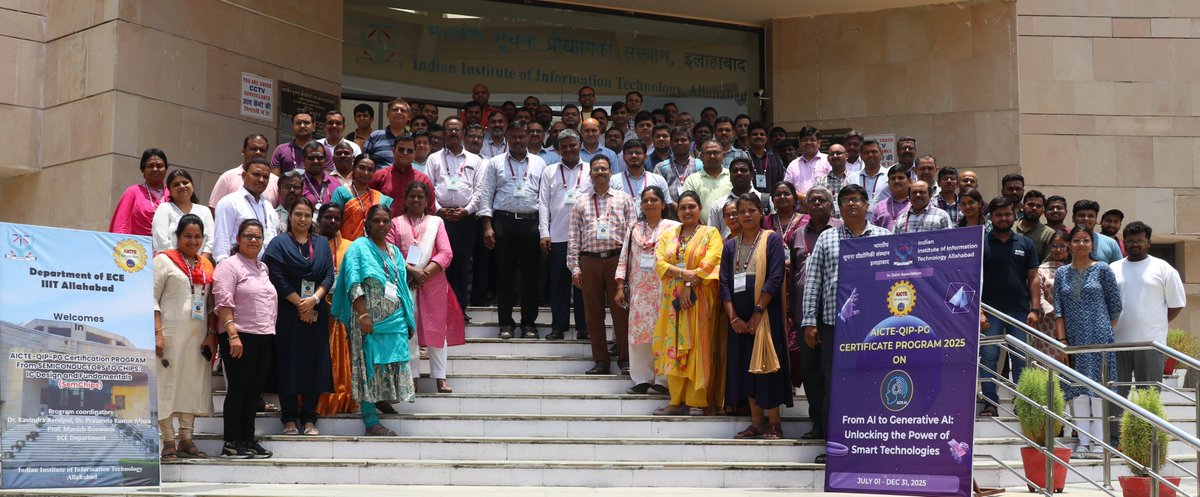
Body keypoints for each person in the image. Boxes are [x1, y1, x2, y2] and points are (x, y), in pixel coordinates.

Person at [801, 185, 890, 460]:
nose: (851, 204)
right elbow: (813, 281)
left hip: (874, 328)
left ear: (867, 205)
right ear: (839, 208)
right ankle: (835, 448)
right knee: (835, 386)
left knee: (874, 383)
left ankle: (871, 446)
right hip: (834, 325)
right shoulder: (827, 238)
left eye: (856, 199)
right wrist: (809, 321)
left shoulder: (884, 237)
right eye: (845, 201)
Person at [331, 205, 418, 437]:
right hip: (367, 321)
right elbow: (353, 283)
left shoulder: (394, 251)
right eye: (376, 221)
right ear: (367, 224)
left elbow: (401, 286)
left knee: (388, 363)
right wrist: (363, 315)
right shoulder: (359, 248)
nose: (381, 225)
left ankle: (380, 398)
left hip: (394, 320)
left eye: (385, 221)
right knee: (367, 365)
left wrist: (408, 318)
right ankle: (370, 420)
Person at [721, 193, 791, 440]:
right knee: (745, 368)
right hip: (738, 322)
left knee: (768, 368)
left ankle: (774, 424)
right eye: (741, 211)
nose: (746, 215)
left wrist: (758, 312)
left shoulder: (771, 239)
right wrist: (734, 318)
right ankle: (757, 422)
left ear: (761, 212)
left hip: (765, 317)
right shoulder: (730, 245)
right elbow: (724, 283)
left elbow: (775, 276)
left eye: (751, 210)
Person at [263, 198, 335, 436]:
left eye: (306, 215)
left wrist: (313, 300)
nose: (302, 219)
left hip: (316, 311)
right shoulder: (278, 244)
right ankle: (289, 418)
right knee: (289, 363)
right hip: (287, 312)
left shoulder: (321, 243)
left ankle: (309, 418)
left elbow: (328, 275)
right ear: (289, 216)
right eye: (298, 214)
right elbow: (276, 276)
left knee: (314, 363)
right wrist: (300, 303)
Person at [1110, 221, 1186, 443]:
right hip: (1117, 342)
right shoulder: (1113, 268)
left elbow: (1176, 304)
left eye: (1140, 240)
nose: (1135, 244)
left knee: (1149, 395)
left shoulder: (1163, 268)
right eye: (1130, 241)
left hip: (1151, 343)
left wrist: (1157, 323)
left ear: (1149, 242)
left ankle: (1146, 441)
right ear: (1124, 242)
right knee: (1115, 395)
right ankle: (1115, 440)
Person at [387, 182, 466, 393]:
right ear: (405, 199)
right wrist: (412, 272)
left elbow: (446, 253)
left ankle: (440, 376)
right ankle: (412, 377)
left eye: (420, 197)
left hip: (433, 283)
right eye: (412, 196)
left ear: (427, 201)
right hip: (404, 282)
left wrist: (423, 274)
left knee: (436, 329)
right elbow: (389, 252)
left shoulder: (436, 222)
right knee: (408, 329)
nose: (416, 200)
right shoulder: (395, 223)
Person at [653, 191, 723, 416]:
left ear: (700, 208)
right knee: (673, 346)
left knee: (697, 346)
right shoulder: (669, 234)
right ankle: (675, 401)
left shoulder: (710, 233)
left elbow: (712, 261)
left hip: (698, 298)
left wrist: (690, 284)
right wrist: (684, 274)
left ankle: (697, 401)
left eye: (691, 206)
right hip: (672, 301)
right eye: (682, 207)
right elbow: (659, 262)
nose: (687, 211)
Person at [1054, 225, 1121, 458]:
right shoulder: (1062, 273)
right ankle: (1083, 443)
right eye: (1076, 240)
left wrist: (1102, 329)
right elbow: (1058, 310)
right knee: (1078, 392)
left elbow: (1115, 306)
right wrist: (1062, 342)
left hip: (1099, 339)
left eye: (1085, 240)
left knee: (1098, 391)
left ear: (1092, 244)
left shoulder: (1102, 269)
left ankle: (1099, 443)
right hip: (1072, 341)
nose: (1081, 244)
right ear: (1069, 244)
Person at [153, 214, 216, 461]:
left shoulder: (206, 266)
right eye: (187, 236)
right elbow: (150, 298)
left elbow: (211, 305)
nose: (193, 241)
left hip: (197, 337)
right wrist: (157, 333)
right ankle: (168, 440)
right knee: (167, 384)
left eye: (197, 236)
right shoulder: (163, 260)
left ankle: (186, 439)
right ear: (177, 236)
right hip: (169, 334)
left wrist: (211, 334)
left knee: (191, 384)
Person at [569, 156, 638, 374]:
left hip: (617, 260)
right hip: (589, 261)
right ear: (590, 174)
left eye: (604, 169)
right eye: (596, 169)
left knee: (621, 312)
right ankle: (601, 361)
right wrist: (575, 267)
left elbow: (633, 233)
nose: (600, 172)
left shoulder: (624, 198)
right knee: (593, 314)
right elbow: (574, 236)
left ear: (610, 172)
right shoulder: (580, 201)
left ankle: (626, 360)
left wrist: (629, 264)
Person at [213, 219, 276, 459]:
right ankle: (231, 441)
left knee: (254, 391)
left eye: (257, 236)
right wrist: (233, 335)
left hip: (264, 335)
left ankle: (247, 439)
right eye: (248, 236)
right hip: (239, 335)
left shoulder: (263, 267)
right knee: (238, 389)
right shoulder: (229, 265)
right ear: (238, 239)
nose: (253, 240)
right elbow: (223, 302)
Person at [478, 120, 547, 339]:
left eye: (522, 136)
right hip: (503, 222)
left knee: (531, 276)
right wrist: (487, 225)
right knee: (504, 275)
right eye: (514, 136)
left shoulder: (539, 163)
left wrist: (544, 229)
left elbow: (544, 198)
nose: (518, 140)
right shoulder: (495, 163)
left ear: (528, 138)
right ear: (507, 137)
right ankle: (506, 324)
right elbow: (486, 194)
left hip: (531, 223)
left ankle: (529, 324)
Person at [978, 196, 1041, 417]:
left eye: (1007, 214)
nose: (1003, 218)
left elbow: (1033, 278)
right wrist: (980, 311)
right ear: (991, 217)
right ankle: (989, 403)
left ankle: (1022, 403)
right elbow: (973, 279)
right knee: (988, 357)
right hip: (990, 312)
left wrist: (1035, 309)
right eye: (999, 215)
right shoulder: (981, 243)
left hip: (1020, 311)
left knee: (1021, 358)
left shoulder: (1025, 243)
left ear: (1014, 215)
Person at [616, 186, 679, 394]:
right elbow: (624, 258)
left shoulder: (673, 227)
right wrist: (620, 286)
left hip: (665, 288)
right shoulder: (634, 229)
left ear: (663, 203)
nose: (650, 204)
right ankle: (642, 379)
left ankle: (662, 380)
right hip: (639, 290)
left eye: (654, 200)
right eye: (645, 201)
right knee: (639, 335)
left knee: (664, 333)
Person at [790, 186, 841, 429]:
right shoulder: (798, 234)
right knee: (811, 371)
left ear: (831, 205)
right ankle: (817, 424)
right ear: (806, 206)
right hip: (806, 312)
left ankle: (835, 424)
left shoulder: (841, 230)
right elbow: (794, 274)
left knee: (833, 370)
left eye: (822, 200)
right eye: (812, 200)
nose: (817, 203)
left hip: (835, 312)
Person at [538, 129, 591, 341]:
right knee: (558, 284)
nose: (569, 149)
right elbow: (543, 203)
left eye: (572, 145)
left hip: (585, 237)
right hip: (557, 235)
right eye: (564, 146)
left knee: (582, 284)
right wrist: (544, 232)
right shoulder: (549, 171)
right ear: (558, 149)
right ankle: (558, 327)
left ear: (580, 145)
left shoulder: (590, 169)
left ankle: (583, 327)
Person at [427, 117, 483, 315]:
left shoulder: (475, 160)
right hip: (440, 218)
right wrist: (439, 209)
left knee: (461, 263)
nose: (453, 132)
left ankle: (459, 310)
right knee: (440, 263)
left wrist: (466, 210)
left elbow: (479, 190)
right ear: (444, 133)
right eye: (449, 129)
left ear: (463, 133)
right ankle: (439, 308)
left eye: (457, 129)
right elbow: (429, 188)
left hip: (465, 218)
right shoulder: (433, 158)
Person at [314, 203, 359, 416]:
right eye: (328, 217)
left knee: (340, 358)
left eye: (337, 218)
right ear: (319, 219)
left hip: (342, 309)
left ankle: (340, 400)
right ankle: (315, 400)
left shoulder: (351, 247)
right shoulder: (311, 245)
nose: (332, 222)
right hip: (315, 308)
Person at [213, 158, 278, 262]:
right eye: (256, 174)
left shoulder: (268, 207)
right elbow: (222, 240)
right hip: (238, 266)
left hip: (264, 268)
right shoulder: (230, 202)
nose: (261, 180)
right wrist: (223, 265)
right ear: (244, 175)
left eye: (265, 177)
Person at [330, 154, 394, 241]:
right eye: (362, 168)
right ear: (353, 168)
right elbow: (334, 222)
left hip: (372, 246)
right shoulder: (341, 192)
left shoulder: (380, 198)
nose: (365, 172)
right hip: (346, 245)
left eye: (370, 169)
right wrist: (342, 246)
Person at [370, 132, 436, 216]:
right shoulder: (379, 176)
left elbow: (430, 209)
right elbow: (369, 203)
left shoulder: (423, 180)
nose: (405, 153)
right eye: (401, 149)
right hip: (384, 223)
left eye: (409, 151)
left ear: (414, 153)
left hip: (416, 224)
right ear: (393, 151)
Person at [208, 134, 279, 211]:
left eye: (262, 150)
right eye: (254, 149)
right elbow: (214, 208)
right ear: (243, 151)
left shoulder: (275, 181)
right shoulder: (228, 177)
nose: (258, 152)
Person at [152, 169, 214, 257]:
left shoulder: (204, 211)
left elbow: (211, 240)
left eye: (185, 182)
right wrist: (178, 262)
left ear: (192, 186)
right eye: (176, 185)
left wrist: (201, 262)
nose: (181, 186)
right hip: (169, 261)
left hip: (200, 262)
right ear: (169, 191)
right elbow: (160, 239)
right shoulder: (165, 208)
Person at [1030, 231, 1069, 365]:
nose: (1058, 249)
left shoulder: (1075, 268)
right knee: (1049, 364)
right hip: (1048, 322)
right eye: (1054, 245)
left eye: (1062, 246)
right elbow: (1038, 295)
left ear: (1069, 247)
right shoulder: (1041, 269)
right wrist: (1052, 311)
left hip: (1072, 321)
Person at [110, 148, 170, 235]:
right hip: (140, 243)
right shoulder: (133, 191)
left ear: (166, 169)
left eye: (159, 166)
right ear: (143, 170)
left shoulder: (173, 191)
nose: (155, 169)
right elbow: (121, 225)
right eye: (150, 166)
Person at [707, 158, 771, 238]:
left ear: (751, 175)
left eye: (743, 170)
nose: (739, 173)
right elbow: (711, 236)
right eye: (735, 171)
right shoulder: (718, 205)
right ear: (730, 176)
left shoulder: (765, 200)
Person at [682, 140, 732, 213]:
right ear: (701, 157)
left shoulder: (732, 176)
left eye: (715, 152)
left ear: (723, 155)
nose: (712, 156)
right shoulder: (692, 180)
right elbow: (688, 207)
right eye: (708, 153)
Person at [364, 99, 413, 169]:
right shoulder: (375, 136)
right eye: (395, 110)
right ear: (388, 114)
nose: (399, 112)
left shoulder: (413, 138)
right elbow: (364, 162)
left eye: (403, 110)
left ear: (409, 116)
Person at [656, 126, 700, 203]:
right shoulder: (661, 167)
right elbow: (657, 192)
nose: (679, 143)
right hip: (669, 209)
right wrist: (673, 205)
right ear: (671, 143)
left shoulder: (700, 165)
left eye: (683, 140)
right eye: (676, 140)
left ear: (690, 142)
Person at [1072, 199, 1123, 264]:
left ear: (1096, 220)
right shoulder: (1064, 242)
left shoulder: (1111, 243)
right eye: (1082, 215)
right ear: (1073, 218)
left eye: (1090, 216)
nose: (1086, 219)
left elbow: (1118, 268)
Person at [782, 125, 830, 194]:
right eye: (805, 140)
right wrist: (803, 197)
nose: (808, 142)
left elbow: (834, 183)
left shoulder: (828, 160)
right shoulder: (793, 165)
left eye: (812, 140)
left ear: (819, 143)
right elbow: (787, 188)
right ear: (800, 143)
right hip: (800, 200)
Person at [1015, 190, 1055, 262]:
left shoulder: (1048, 234)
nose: (1034, 208)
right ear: (1022, 207)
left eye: (1038, 206)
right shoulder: (1010, 227)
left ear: (1043, 211)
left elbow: (1046, 264)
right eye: (1030, 205)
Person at [812, 144, 851, 214]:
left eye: (838, 153)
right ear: (828, 159)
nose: (835, 156)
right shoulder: (819, 182)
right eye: (832, 154)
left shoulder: (854, 178)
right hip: (827, 220)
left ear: (846, 156)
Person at [746, 122, 785, 192]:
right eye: (755, 134)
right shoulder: (743, 158)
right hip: (748, 198)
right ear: (748, 138)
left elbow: (780, 183)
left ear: (766, 138)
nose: (759, 136)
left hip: (771, 198)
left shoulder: (775, 160)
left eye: (762, 134)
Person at [869, 166, 911, 230]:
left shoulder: (915, 204)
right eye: (893, 178)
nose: (896, 181)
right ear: (888, 182)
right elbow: (872, 231)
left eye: (900, 178)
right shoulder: (880, 207)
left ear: (910, 181)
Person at [849, 139, 888, 205]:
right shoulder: (852, 178)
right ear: (861, 156)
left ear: (881, 153)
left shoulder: (889, 176)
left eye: (874, 151)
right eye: (866, 152)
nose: (870, 155)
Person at [299, 141, 336, 209]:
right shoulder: (297, 184)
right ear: (303, 160)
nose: (315, 161)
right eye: (311, 158)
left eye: (320, 158)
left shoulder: (335, 183)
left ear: (325, 160)